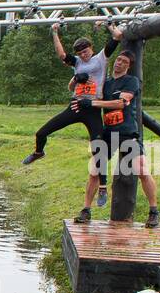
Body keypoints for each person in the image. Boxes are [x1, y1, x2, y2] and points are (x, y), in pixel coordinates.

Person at [22, 22, 122, 208]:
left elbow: (117, 37)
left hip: (92, 107)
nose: (84, 55)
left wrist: (109, 23)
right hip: (76, 105)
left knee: (98, 148)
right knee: (41, 133)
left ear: (91, 49)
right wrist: (54, 32)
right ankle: (38, 152)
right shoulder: (76, 63)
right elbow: (61, 55)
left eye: (86, 52)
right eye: (80, 53)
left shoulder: (101, 58)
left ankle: (102, 187)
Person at [71, 50, 160, 227]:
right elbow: (79, 91)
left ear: (129, 66)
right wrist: (76, 79)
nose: (119, 63)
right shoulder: (106, 83)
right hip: (108, 132)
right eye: (118, 59)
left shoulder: (131, 81)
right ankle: (86, 210)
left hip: (127, 132)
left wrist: (94, 103)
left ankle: (154, 211)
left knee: (141, 169)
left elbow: (121, 103)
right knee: (94, 170)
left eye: (124, 61)